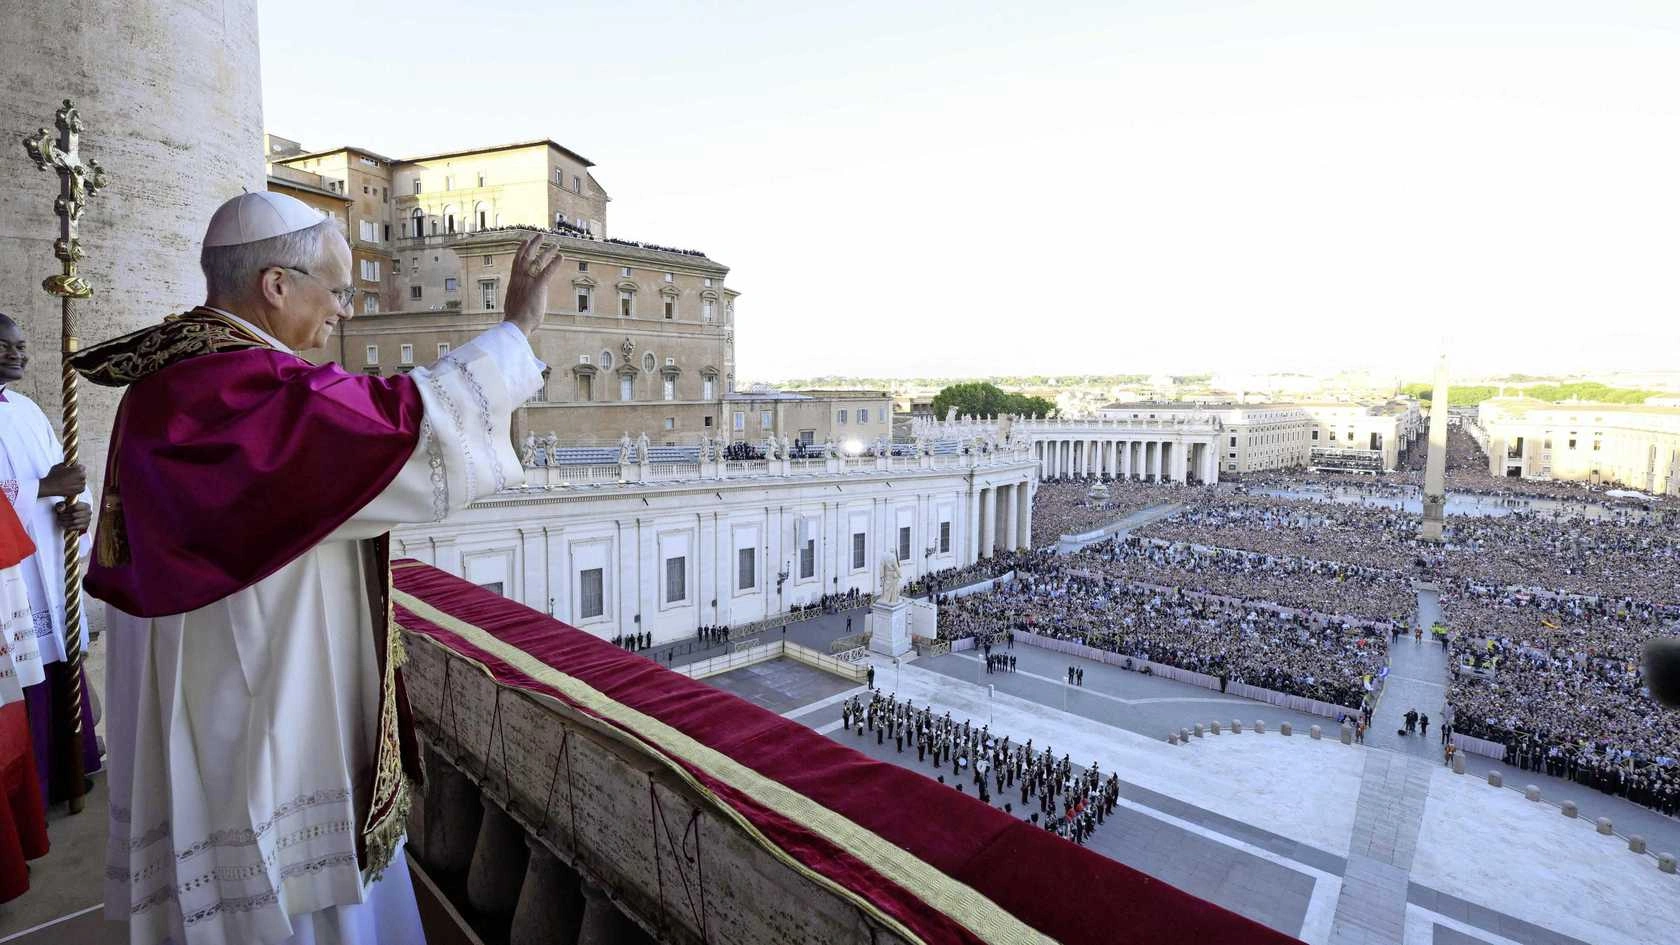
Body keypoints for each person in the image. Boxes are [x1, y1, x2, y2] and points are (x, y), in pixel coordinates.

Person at [86, 192, 561, 945]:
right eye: (334, 291)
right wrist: (516, 332)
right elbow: (410, 426)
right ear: (276, 286)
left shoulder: (169, 380)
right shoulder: (249, 390)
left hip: (208, 685)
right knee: (291, 898)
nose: (342, 311)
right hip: (264, 700)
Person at [0, 312, 99, 804]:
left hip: (45, 557)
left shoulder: (25, 410)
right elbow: (43, 483)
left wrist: (77, 510)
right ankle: (32, 787)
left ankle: (66, 770)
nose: (15, 353)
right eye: (3, 345)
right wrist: (43, 488)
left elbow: (67, 475)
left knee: (58, 659)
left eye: (18, 345)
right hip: (8, 575)